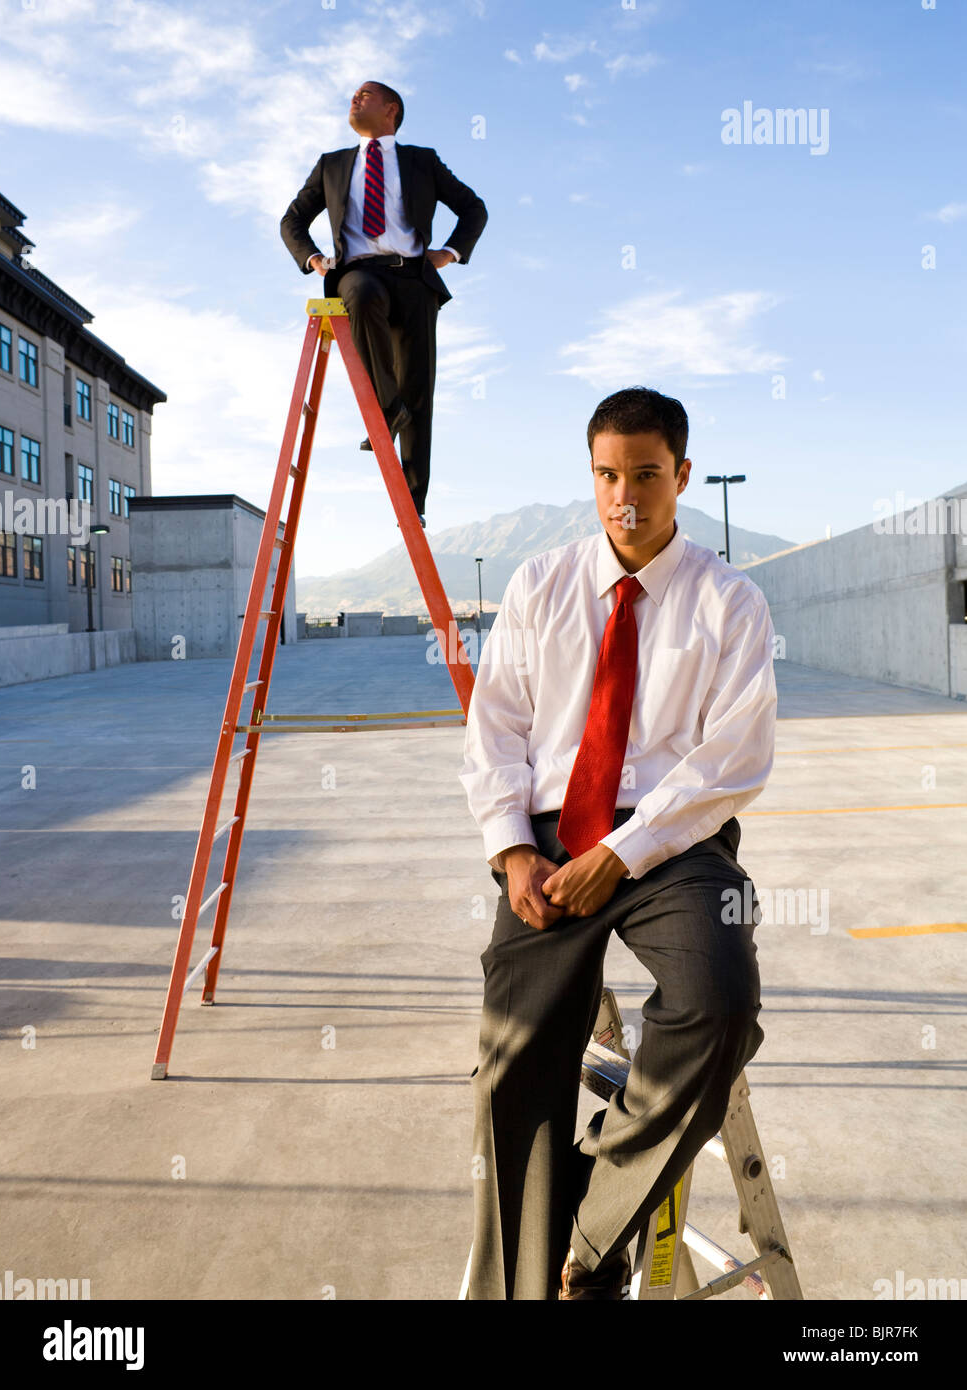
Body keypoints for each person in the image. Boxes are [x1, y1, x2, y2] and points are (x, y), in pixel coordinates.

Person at [458, 386, 778, 1300]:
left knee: (717, 1007)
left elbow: (732, 758)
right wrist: (513, 847)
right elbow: (497, 727)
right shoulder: (541, 584)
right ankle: (527, 1286)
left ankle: (593, 1234)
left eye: (645, 474)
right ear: (589, 476)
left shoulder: (730, 602)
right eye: (606, 475)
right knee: (512, 1064)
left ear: (681, 475)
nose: (624, 497)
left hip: (676, 844)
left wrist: (624, 853)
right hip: (552, 844)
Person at [280, 80, 488, 526]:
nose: (354, 99)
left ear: (391, 109)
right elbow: (292, 219)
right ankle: (387, 407)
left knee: (419, 386)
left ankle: (413, 504)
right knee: (359, 294)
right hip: (360, 272)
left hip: (414, 275)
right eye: (353, 95)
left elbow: (474, 208)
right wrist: (312, 257)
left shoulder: (421, 161)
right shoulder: (332, 165)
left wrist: (449, 253)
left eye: (365, 94)